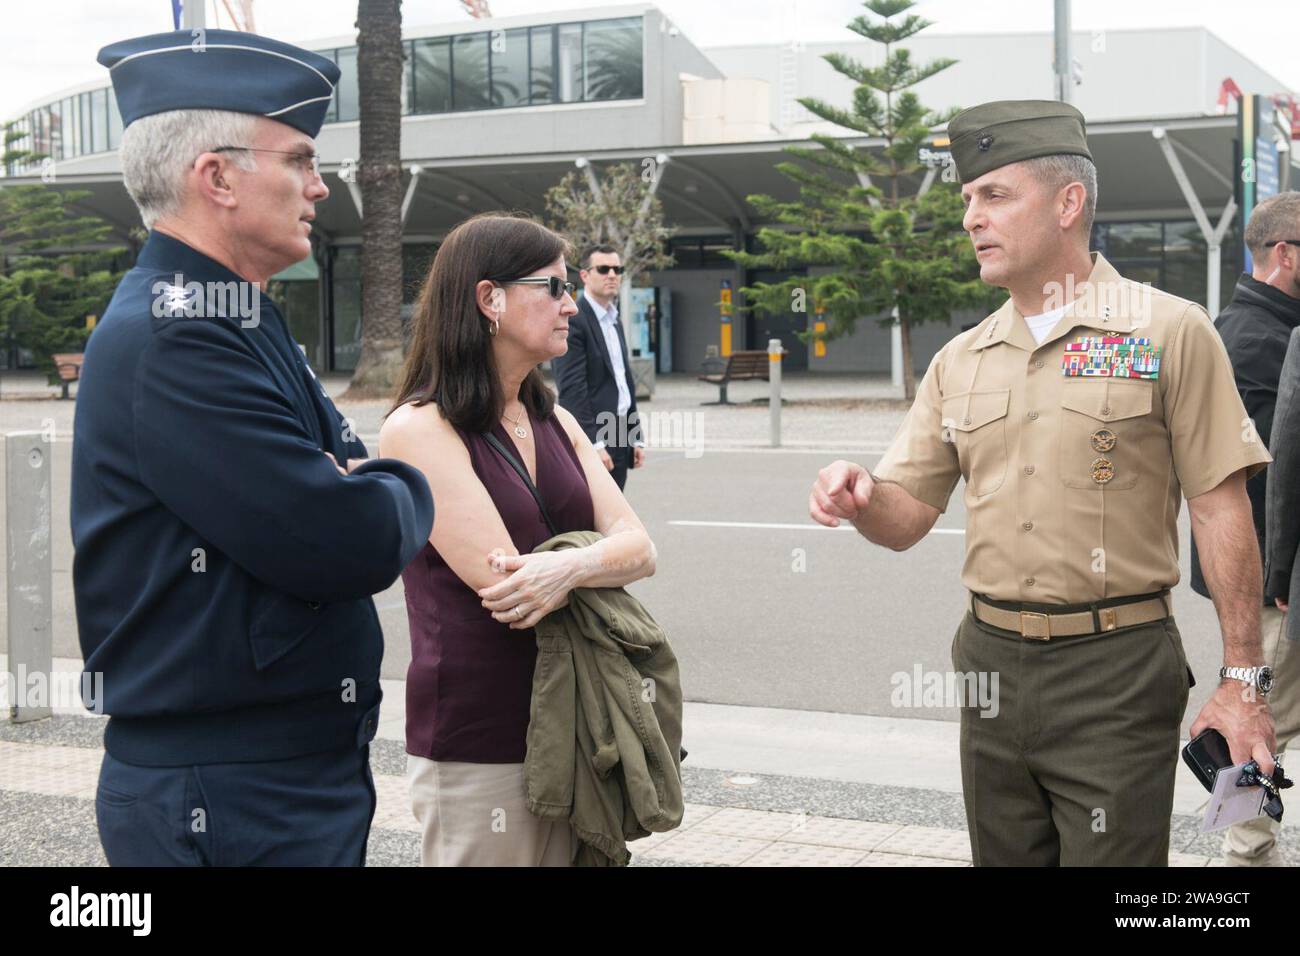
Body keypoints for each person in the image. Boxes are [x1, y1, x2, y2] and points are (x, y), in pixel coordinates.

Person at [809, 100, 1276, 866]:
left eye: (994, 195)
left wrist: (1244, 682)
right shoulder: (962, 359)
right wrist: (860, 496)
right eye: (966, 200)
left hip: (1116, 673)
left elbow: (1221, 509)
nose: (971, 218)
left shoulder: (1166, 331)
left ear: (1068, 204)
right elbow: (906, 519)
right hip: (988, 667)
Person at [72, 31, 434, 866]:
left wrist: (359, 478)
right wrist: (394, 482)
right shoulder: (181, 336)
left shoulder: (233, 312)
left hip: (264, 777)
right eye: (300, 159)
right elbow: (350, 539)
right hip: (229, 790)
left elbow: (344, 481)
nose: (319, 185)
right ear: (217, 177)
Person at [379, 213, 657, 866]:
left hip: (580, 723)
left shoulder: (553, 417)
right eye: (554, 288)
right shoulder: (418, 428)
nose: (570, 306)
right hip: (480, 733)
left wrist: (563, 570)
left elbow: (641, 547)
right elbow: (507, 588)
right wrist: (591, 561)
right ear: (489, 299)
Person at [1187, 191, 1300, 866]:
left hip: (1276, 577)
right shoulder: (1254, 341)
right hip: (1271, 586)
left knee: (1266, 715)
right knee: (1259, 721)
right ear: (1285, 255)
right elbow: (1254, 487)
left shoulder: (1269, 326)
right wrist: (1279, 577)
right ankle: (1243, 852)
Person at [550, 244, 645, 490]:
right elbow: (572, 390)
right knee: (594, 520)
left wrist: (634, 435)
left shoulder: (614, 319)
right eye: (603, 269)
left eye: (617, 269)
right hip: (596, 435)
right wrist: (593, 443)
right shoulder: (575, 321)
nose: (612, 275)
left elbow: (623, 382)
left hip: (620, 430)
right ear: (584, 275)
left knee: (616, 511)